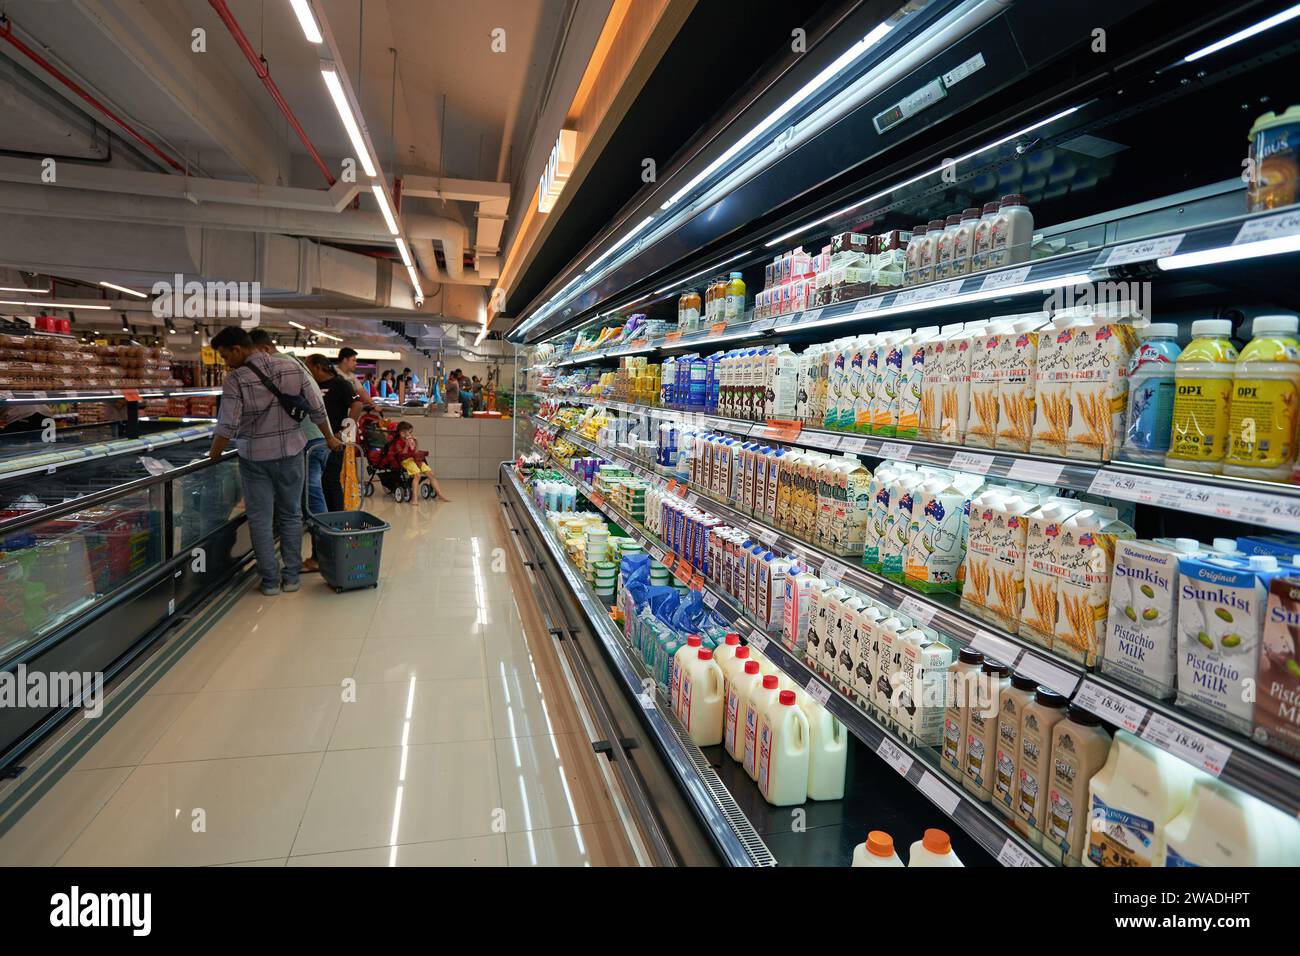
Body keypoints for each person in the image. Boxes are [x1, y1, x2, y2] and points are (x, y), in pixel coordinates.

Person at [207, 327, 340, 596]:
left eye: (224, 356)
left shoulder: (236, 379)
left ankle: (269, 581)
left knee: (260, 518)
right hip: (292, 453)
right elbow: (316, 407)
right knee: (292, 515)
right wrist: (329, 438)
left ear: (237, 349)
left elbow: (227, 425)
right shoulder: (292, 367)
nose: (225, 362)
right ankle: (291, 578)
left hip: (255, 458)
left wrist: (214, 454)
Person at [305, 354, 366, 513]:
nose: (306, 371)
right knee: (314, 483)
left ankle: (336, 519)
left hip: (334, 441)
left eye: (308, 367)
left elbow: (358, 405)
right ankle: (318, 517)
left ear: (318, 367)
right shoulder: (311, 385)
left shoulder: (340, 384)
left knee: (330, 481)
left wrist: (344, 432)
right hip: (313, 441)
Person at [383, 420, 450, 502]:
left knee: (431, 474)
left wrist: (416, 443)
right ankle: (414, 498)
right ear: (402, 433)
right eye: (409, 433)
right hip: (406, 460)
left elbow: (415, 452)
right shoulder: (398, 442)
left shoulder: (410, 441)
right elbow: (402, 455)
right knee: (417, 475)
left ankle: (440, 494)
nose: (411, 435)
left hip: (414, 459)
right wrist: (406, 446)